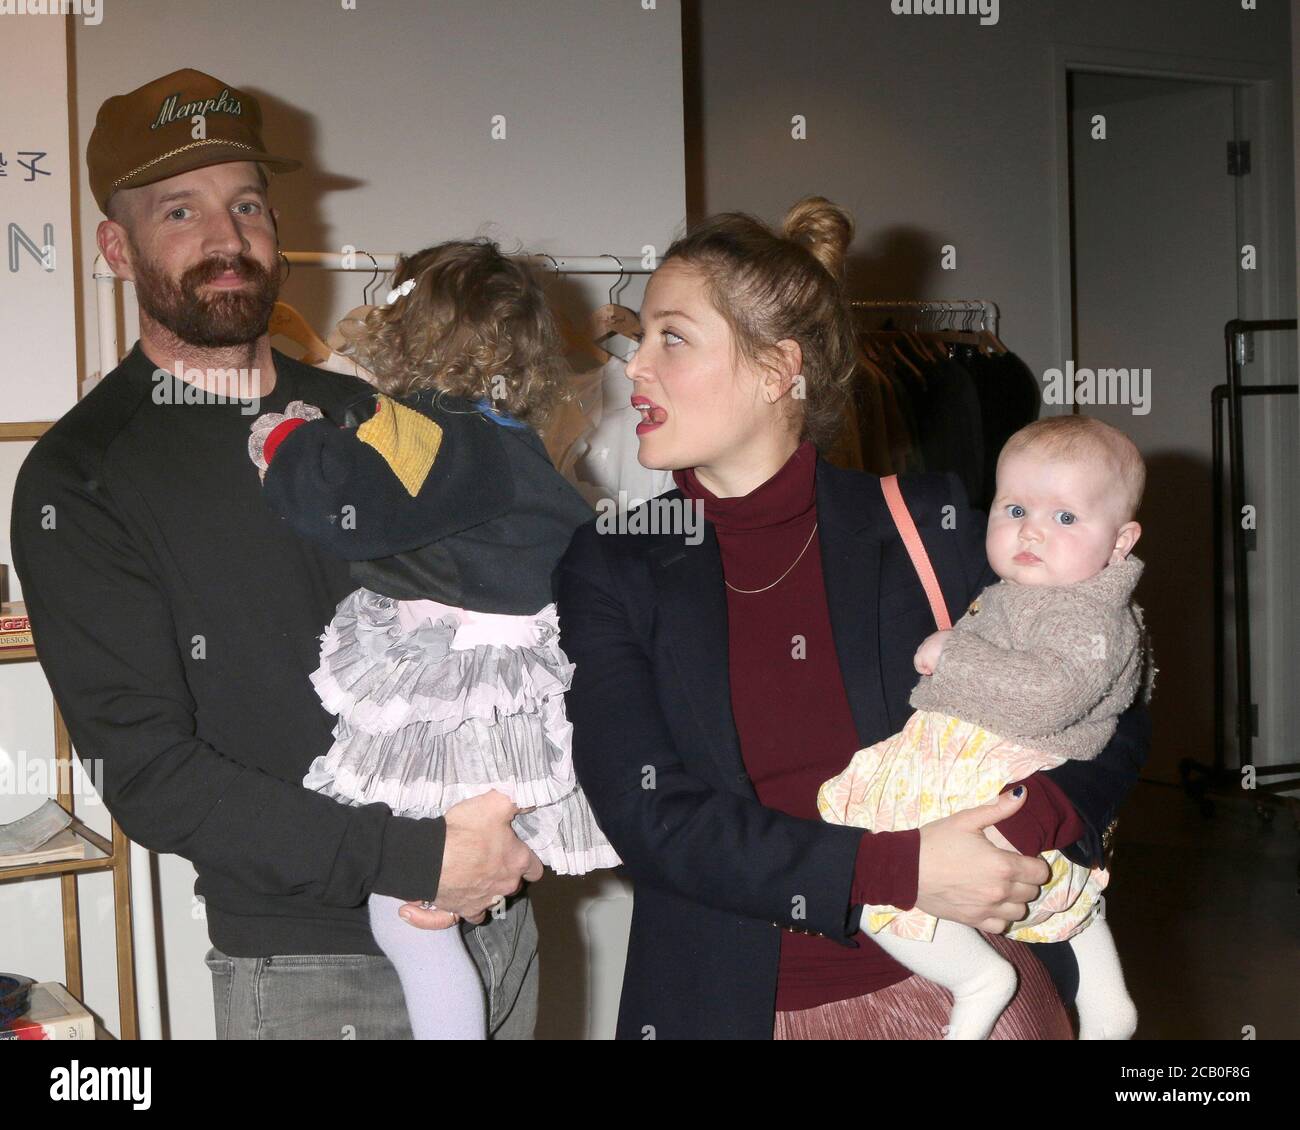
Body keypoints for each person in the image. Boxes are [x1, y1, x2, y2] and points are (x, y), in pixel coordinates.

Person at [10, 68, 539, 1039]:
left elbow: (500, 607)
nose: (227, 236)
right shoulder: (79, 479)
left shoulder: (370, 410)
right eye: (182, 209)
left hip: (500, 930)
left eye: (246, 201)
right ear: (115, 247)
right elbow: (153, 775)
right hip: (316, 972)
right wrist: (421, 855)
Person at [554, 196, 1151, 1040]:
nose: (634, 367)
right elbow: (645, 813)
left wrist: (1034, 814)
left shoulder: (925, 523)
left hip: (965, 1002)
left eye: (671, 338)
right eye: (641, 339)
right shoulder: (613, 563)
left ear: (775, 368)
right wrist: (898, 871)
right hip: (732, 1008)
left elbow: (1112, 691)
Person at [248, 240, 619, 1038]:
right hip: (508, 694)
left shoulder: (440, 433)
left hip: (468, 692)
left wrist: (286, 443)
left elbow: (343, 506)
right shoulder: (505, 434)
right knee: (424, 915)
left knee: (410, 919)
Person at [820, 415, 1151, 1040]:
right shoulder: (1032, 590)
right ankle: (1107, 1001)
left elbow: (1052, 695)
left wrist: (954, 653)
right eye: (1015, 507)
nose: (1032, 530)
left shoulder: (1090, 613)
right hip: (982, 757)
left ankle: (976, 978)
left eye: (1066, 518)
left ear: (1121, 540)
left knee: (869, 861)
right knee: (1060, 897)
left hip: (997, 762)